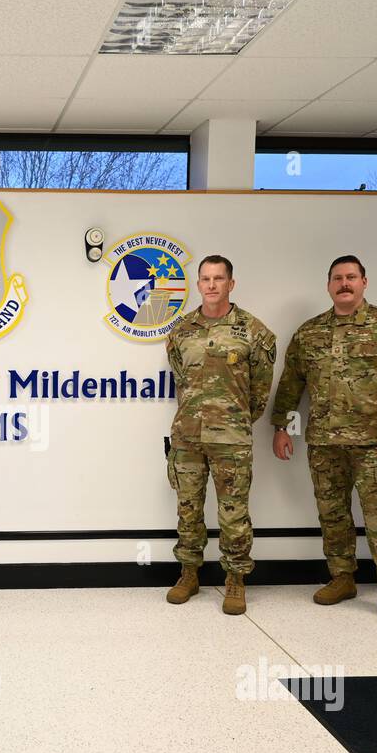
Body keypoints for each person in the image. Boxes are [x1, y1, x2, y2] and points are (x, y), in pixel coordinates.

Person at [270, 256, 377, 626]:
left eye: (351, 277)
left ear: (364, 282)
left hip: (376, 443)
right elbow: (292, 384)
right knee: (333, 515)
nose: (344, 283)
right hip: (324, 442)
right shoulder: (310, 333)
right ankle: (342, 578)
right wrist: (281, 426)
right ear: (328, 285)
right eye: (337, 278)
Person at [165, 255, 276, 615]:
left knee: (233, 514)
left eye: (219, 278)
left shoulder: (254, 331)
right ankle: (189, 573)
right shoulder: (181, 332)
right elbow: (182, 380)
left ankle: (235, 579)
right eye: (205, 279)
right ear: (198, 284)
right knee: (187, 509)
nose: (211, 285)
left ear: (231, 283)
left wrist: (234, 419)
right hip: (187, 438)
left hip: (231, 439)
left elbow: (260, 391)